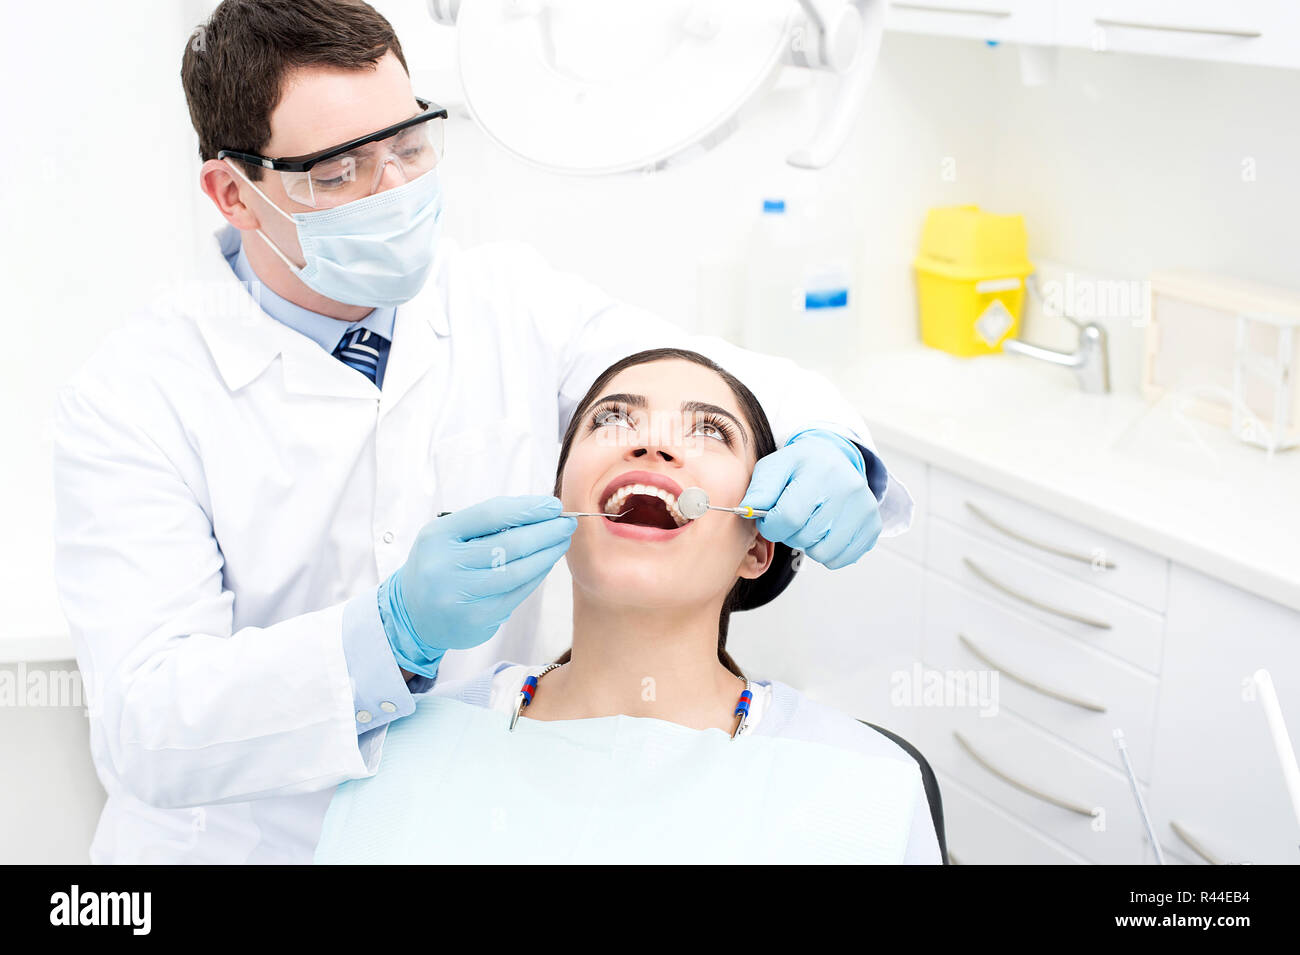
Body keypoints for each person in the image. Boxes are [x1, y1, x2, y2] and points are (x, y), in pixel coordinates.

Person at [51, 0, 913, 864]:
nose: (393, 188)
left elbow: (696, 381)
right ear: (234, 192)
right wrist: (388, 635)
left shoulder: (509, 304)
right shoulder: (137, 397)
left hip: (459, 822)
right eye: (339, 171)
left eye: (409, 145)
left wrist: (831, 445)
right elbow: (147, 725)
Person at [314, 348, 942, 864]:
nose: (653, 447)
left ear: (757, 548)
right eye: (613, 420)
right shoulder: (398, 756)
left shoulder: (862, 790)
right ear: (558, 504)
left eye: (709, 430)